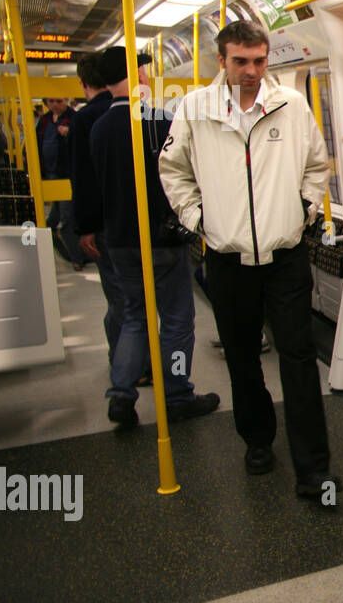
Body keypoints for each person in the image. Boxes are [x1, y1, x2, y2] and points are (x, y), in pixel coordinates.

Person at [159, 20, 339, 500]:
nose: (252, 71)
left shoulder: (292, 105)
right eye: (241, 61)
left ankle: (313, 468)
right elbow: (172, 170)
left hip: (284, 255)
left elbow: (316, 165)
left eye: (260, 61)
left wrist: (303, 209)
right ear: (222, 61)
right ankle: (257, 440)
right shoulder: (195, 109)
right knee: (241, 357)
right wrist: (200, 219)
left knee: (298, 358)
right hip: (228, 257)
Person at [89, 45, 219, 427]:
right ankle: (178, 394)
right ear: (138, 75)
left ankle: (121, 395)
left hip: (119, 241)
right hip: (160, 239)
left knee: (134, 316)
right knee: (176, 319)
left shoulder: (97, 128)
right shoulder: (158, 120)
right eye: (143, 69)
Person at [71, 53, 132, 370]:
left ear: (83, 83)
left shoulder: (84, 119)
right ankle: (146, 367)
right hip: (136, 222)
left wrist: (85, 226)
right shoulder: (134, 112)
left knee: (120, 300)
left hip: (107, 224)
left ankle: (123, 369)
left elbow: (83, 178)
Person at [42, 91, 85, 269]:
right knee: (54, 217)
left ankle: (77, 258)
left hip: (67, 176)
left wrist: (69, 134)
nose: (55, 104)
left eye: (59, 100)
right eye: (51, 100)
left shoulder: (74, 120)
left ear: (66, 100)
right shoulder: (44, 122)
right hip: (50, 175)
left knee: (66, 218)